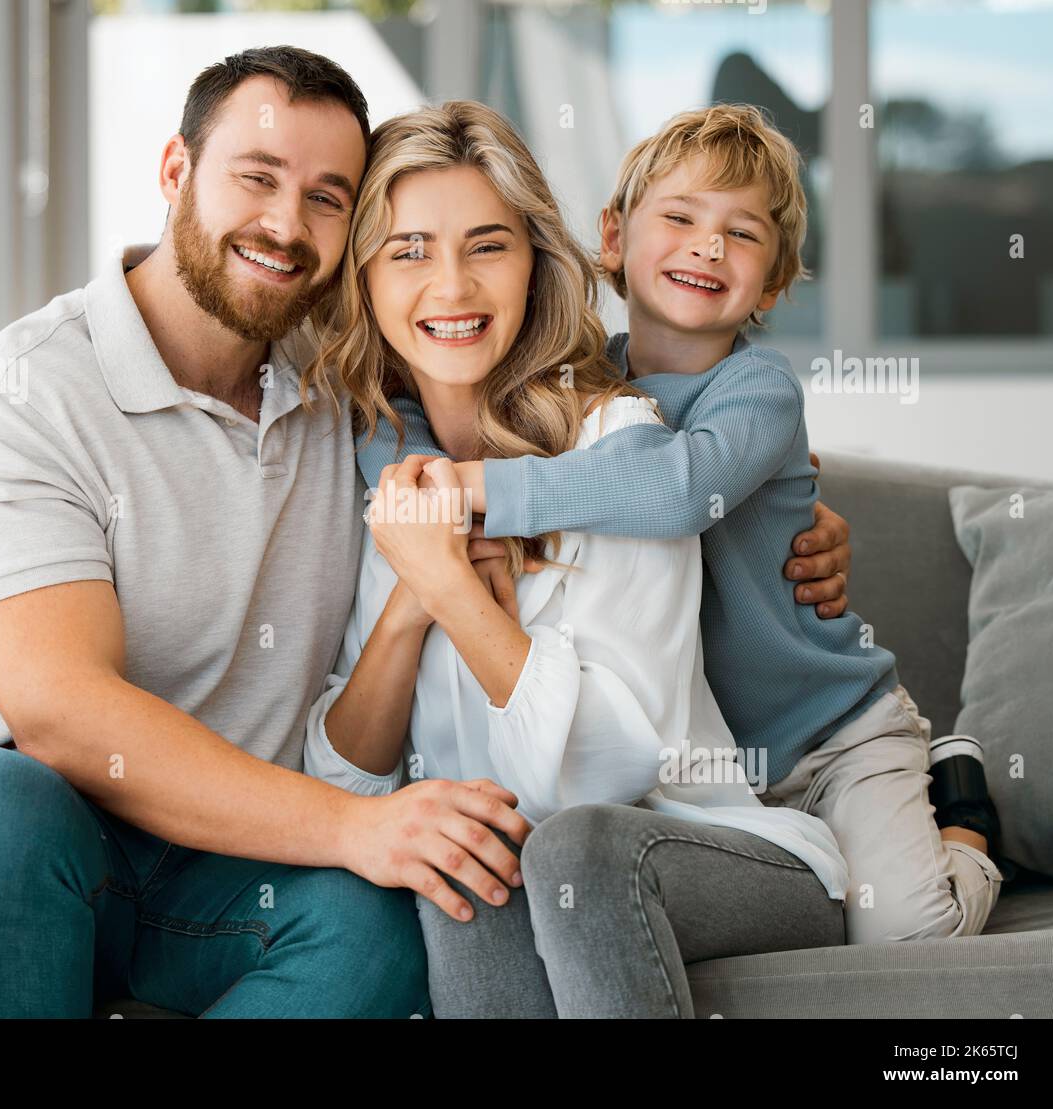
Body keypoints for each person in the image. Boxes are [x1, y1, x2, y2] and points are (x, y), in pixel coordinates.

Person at [0, 46, 534, 1020]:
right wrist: (357, 825)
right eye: (257, 178)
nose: (284, 224)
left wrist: (759, 491)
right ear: (176, 172)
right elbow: (62, 713)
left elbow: (511, 350)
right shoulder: (20, 393)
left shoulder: (346, 378)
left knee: (388, 917)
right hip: (29, 846)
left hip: (232, 873)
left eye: (326, 198)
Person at [359, 104, 1004, 1016]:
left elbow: (670, 493)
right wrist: (405, 473)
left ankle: (971, 826)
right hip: (720, 764)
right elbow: (428, 425)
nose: (708, 247)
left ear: (774, 283)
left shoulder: (756, 387)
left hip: (833, 731)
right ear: (613, 239)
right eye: (681, 218)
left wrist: (477, 489)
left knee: (904, 926)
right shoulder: (596, 383)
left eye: (742, 234)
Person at [304, 100, 851, 1020]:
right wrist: (408, 603)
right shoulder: (372, 473)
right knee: (463, 844)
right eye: (408, 251)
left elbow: (599, 777)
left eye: (487, 245)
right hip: (522, 866)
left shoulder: (618, 448)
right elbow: (346, 779)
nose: (452, 286)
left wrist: (451, 589)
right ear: (362, 281)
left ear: (536, 264)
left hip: (706, 850)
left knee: (559, 845)